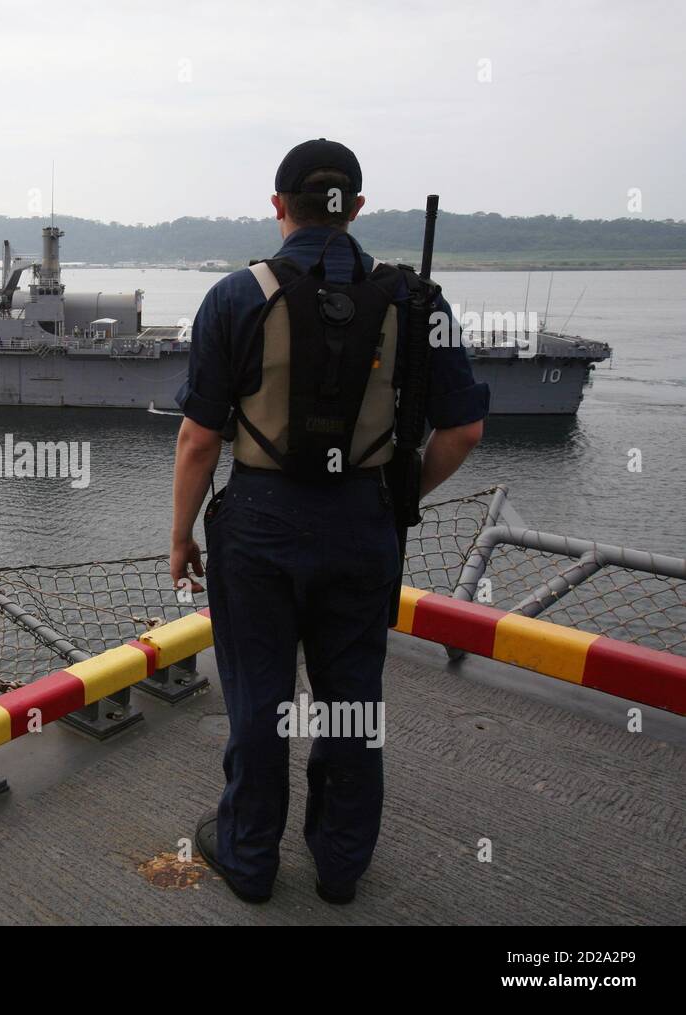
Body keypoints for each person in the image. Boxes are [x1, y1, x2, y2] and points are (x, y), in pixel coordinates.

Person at [169, 139, 488, 905]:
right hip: (363, 528)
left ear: (279, 206)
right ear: (358, 207)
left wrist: (181, 537)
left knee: (257, 704)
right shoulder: (417, 302)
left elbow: (198, 440)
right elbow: (463, 430)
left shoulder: (234, 297)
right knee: (352, 704)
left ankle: (249, 862)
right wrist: (397, 496)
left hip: (258, 530)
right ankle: (340, 866)